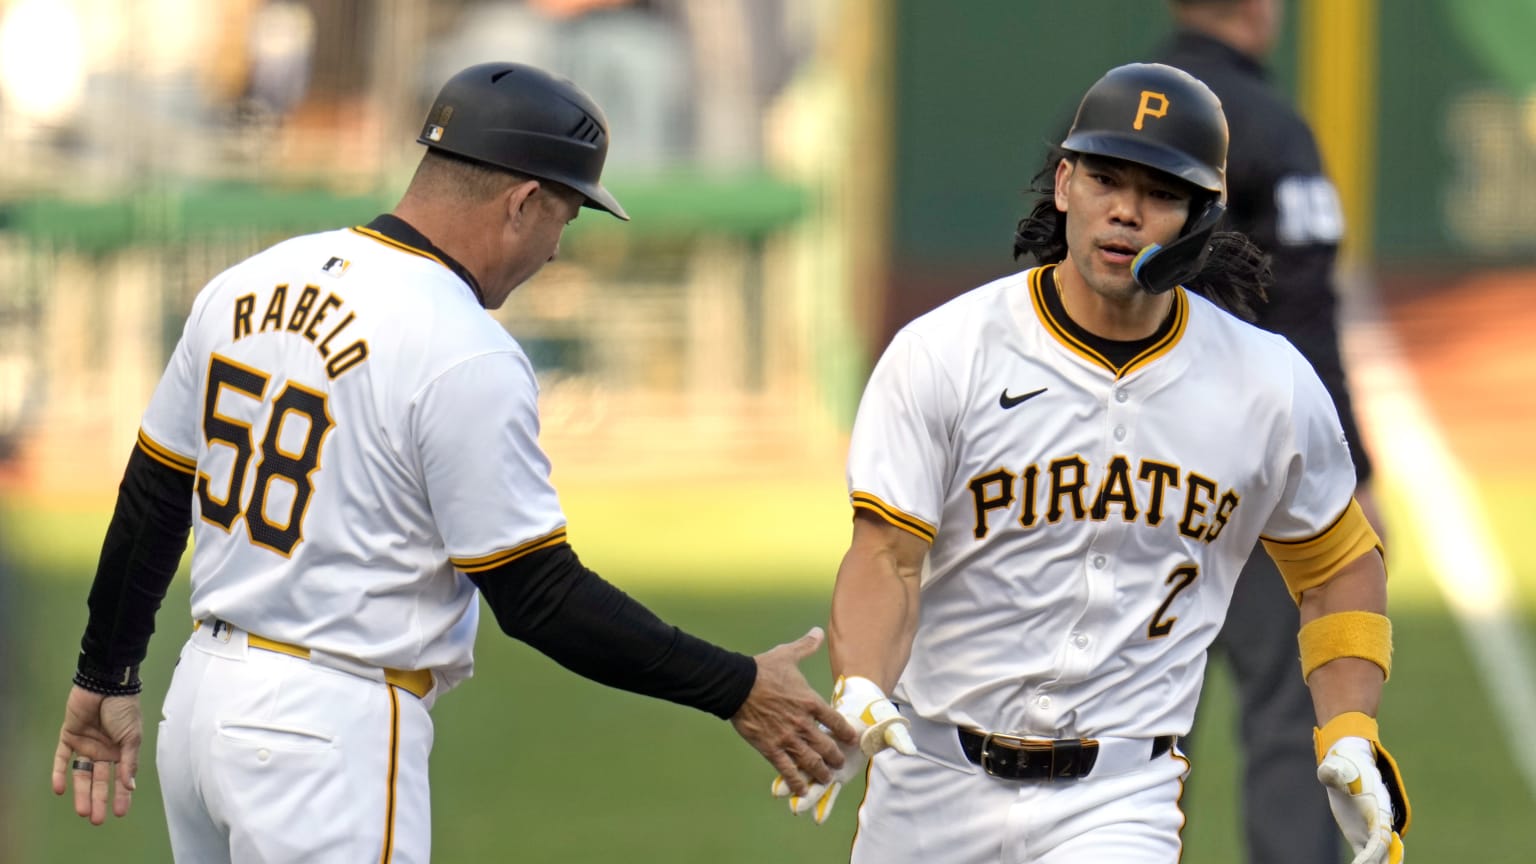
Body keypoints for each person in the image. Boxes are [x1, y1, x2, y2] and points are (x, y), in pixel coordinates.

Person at [50, 62, 857, 862]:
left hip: (199, 708)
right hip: (322, 735)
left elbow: (154, 497)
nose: (555, 250)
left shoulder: (244, 285)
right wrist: (735, 686)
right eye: (565, 217)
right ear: (522, 202)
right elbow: (538, 595)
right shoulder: (465, 348)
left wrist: (105, 673)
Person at [772, 63, 1410, 864]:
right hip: (929, 784)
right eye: (1105, 178)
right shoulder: (946, 353)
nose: (1125, 212)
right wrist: (862, 686)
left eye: (1161, 192)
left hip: (1118, 799)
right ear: (1064, 184)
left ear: (1202, 219)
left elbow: (1339, 565)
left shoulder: (1266, 381)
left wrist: (1349, 728)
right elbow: (887, 558)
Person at [1152, 2, 1383, 861]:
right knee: (1292, 718)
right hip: (1252, 476)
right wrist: (1352, 475)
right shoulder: (1271, 126)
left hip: (1120, 478)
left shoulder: (1105, 116)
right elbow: (1306, 307)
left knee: (1119, 729)